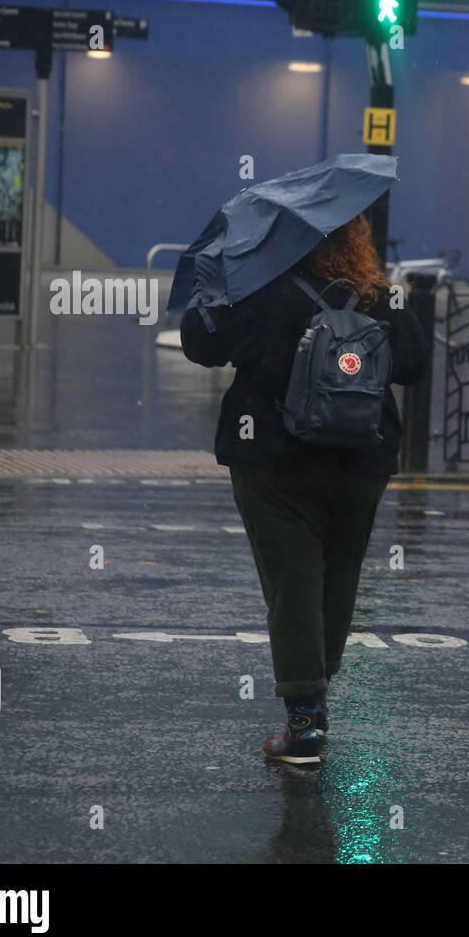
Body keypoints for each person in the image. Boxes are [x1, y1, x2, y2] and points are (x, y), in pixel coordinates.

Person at [180, 214, 431, 765]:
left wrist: (212, 288)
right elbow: (415, 364)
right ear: (355, 241)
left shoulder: (259, 289)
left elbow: (202, 345)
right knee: (339, 577)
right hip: (362, 458)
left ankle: (304, 720)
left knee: (292, 579)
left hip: (275, 458)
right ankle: (316, 692)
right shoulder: (378, 295)